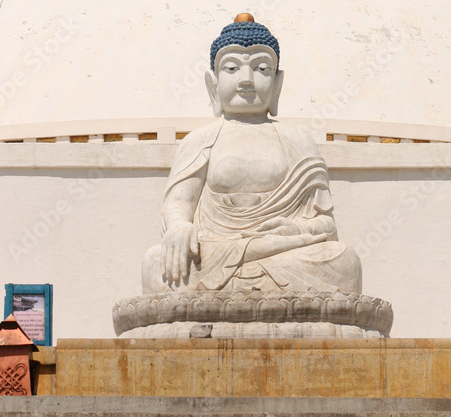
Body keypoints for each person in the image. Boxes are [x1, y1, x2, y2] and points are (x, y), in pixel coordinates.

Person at [141, 15, 362, 296]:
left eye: (261, 68)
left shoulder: (297, 141)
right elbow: (179, 202)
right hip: (215, 249)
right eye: (232, 68)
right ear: (213, 84)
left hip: (283, 251)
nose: (246, 80)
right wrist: (180, 227)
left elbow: (326, 225)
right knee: (154, 263)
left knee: (343, 261)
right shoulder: (200, 140)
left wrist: (292, 230)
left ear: (277, 83)